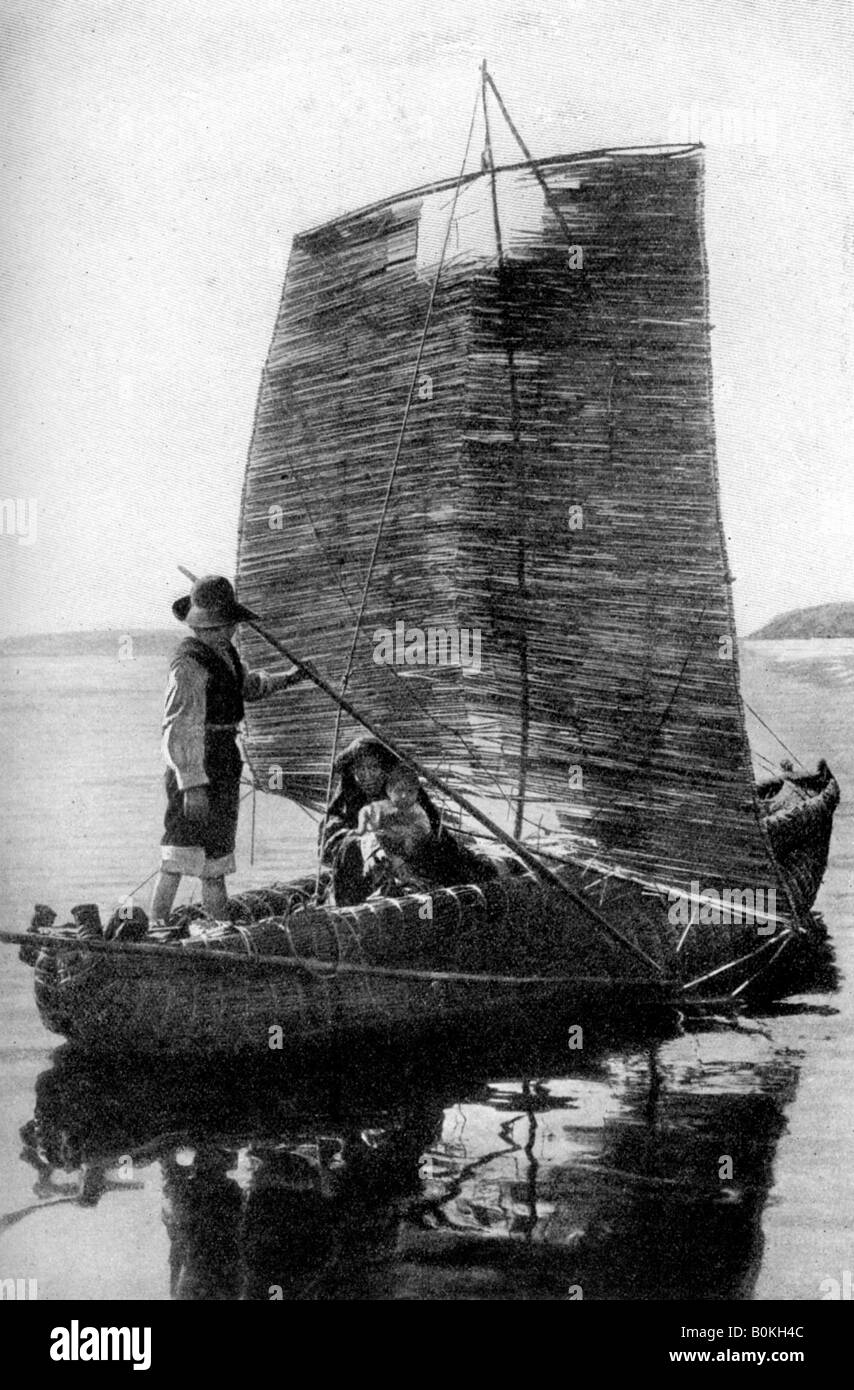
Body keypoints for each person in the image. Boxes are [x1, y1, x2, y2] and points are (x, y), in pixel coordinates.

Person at [151, 574, 313, 923]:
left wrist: (288, 678)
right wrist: (192, 783)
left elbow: (248, 688)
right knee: (178, 852)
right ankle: (156, 924)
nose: (227, 632)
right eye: (219, 626)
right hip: (197, 761)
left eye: (229, 625)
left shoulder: (225, 653)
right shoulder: (189, 662)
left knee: (216, 856)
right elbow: (179, 725)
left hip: (224, 759)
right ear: (200, 627)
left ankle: (220, 926)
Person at [320, 734, 496, 905]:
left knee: (429, 897)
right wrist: (370, 844)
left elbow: (434, 832)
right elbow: (329, 844)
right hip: (363, 879)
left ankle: (425, 913)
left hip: (416, 871)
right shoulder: (347, 798)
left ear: (385, 769)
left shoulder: (403, 793)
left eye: (374, 768)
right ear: (352, 771)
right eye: (360, 769)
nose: (367, 776)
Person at [357, 764, 433, 889]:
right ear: (389, 791)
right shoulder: (382, 807)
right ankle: (381, 882)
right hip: (387, 851)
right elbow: (367, 819)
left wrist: (405, 833)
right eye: (399, 791)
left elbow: (424, 829)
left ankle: (406, 881)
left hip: (409, 849)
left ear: (416, 793)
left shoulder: (417, 811)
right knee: (372, 842)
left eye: (410, 792)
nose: (404, 796)